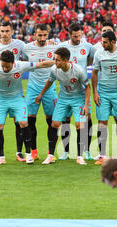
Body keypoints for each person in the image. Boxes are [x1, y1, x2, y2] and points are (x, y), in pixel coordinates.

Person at [36, 47, 91, 165]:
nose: (55, 62)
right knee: (54, 124)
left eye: (57, 60)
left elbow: (87, 87)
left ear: (66, 60)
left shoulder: (78, 70)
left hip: (78, 99)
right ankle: (50, 155)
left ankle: (80, 156)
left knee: (79, 125)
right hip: (63, 99)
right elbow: (49, 81)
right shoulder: (54, 70)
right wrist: (41, 94)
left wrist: (86, 105)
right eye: (54, 59)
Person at [0, 21, 26, 163]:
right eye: (2, 31)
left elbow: (27, 58)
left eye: (7, 31)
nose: (4, 34)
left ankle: (19, 152)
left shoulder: (20, 45)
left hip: (15, 89)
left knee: (18, 120)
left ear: (12, 32)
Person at [91, 31, 117, 164]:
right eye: (102, 42)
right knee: (102, 122)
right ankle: (102, 155)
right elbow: (95, 73)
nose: (102, 44)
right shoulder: (99, 53)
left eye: (105, 42)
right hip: (103, 92)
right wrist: (95, 93)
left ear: (113, 42)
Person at [57, 23, 95, 161]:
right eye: (75, 36)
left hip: (82, 89)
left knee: (87, 118)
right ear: (69, 34)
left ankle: (88, 150)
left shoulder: (87, 46)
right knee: (65, 120)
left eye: (79, 35)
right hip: (66, 90)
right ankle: (66, 152)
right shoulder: (62, 47)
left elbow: (91, 59)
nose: (78, 38)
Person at [22, 24, 59, 161]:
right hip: (33, 88)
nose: (43, 38)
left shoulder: (55, 47)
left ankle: (51, 153)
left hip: (50, 88)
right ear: (34, 35)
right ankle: (34, 151)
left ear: (48, 34)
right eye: (40, 35)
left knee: (51, 122)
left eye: (45, 35)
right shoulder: (27, 48)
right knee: (30, 121)